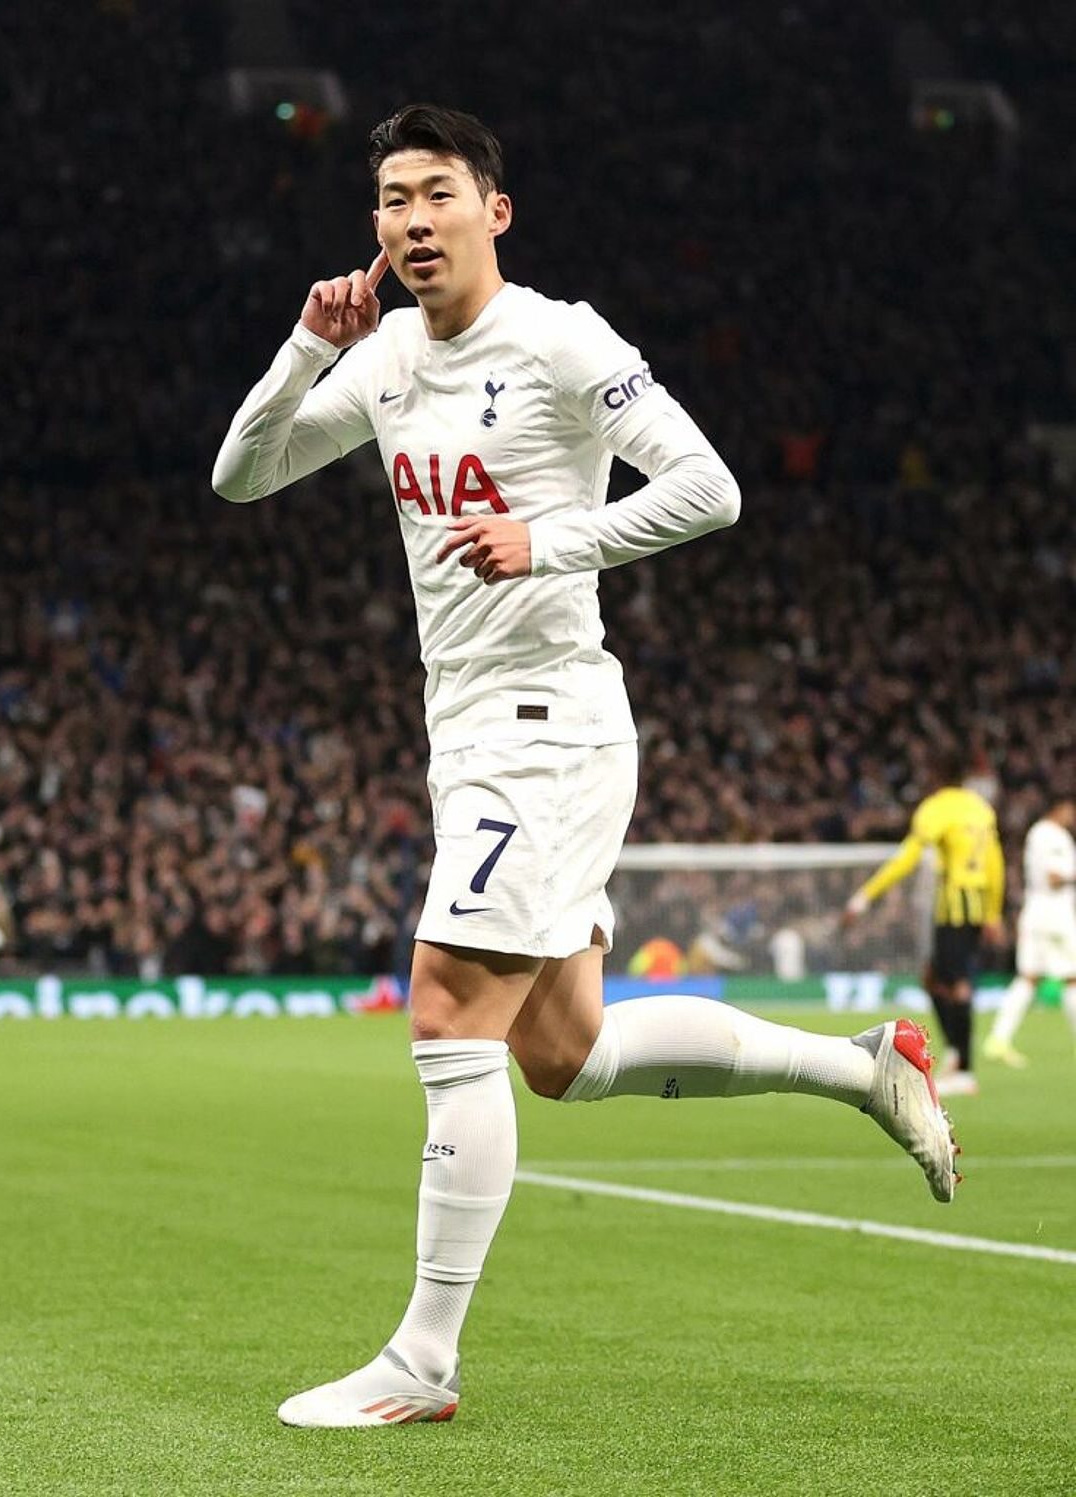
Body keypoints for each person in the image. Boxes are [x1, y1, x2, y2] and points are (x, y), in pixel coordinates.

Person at [213, 103, 960, 1430]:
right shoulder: (380, 360)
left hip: (549, 724)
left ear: (494, 209)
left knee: (445, 1012)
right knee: (563, 1056)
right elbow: (242, 474)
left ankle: (422, 1362)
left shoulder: (562, 341)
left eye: (436, 193)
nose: (412, 220)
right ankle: (869, 1065)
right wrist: (300, 347)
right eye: (391, 199)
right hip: (471, 728)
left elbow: (710, 486)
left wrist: (553, 542)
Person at [843, 752, 1004, 1097]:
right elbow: (995, 861)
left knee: (958, 983)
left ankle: (965, 1069)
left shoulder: (936, 808)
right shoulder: (980, 808)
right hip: (976, 904)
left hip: (954, 904)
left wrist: (864, 896)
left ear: (935, 778)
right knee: (933, 979)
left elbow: (907, 858)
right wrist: (993, 911)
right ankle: (955, 1056)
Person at [984, 795, 1076, 1066]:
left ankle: (998, 1039)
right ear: (1060, 808)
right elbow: (1054, 877)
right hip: (1054, 916)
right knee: (1072, 978)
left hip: (1036, 912)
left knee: (1028, 978)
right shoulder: (1053, 835)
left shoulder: (1037, 833)